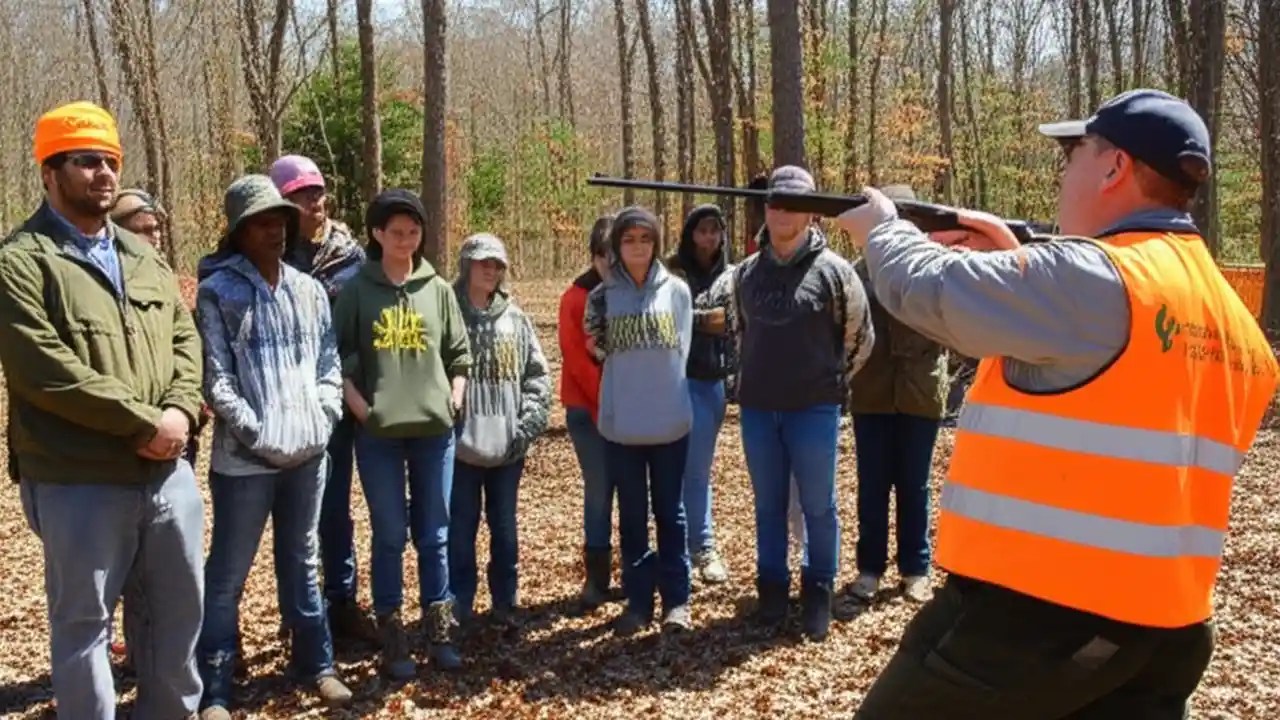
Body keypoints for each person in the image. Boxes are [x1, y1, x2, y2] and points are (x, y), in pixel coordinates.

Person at [838, 89, 1279, 718]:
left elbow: (931, 288)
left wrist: (884, 231)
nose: (1063, 174)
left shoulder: (1100, 276)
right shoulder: (1236, 325)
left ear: (1114, 168)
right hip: (1167, 628)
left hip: (1035, 619)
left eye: (1072, 155)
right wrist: (1017, 267)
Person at [0, 101, 204, 718]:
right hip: (78, 479)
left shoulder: (144, 257)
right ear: (49, 172)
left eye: (110, 161)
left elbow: (183, 340)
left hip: (168, 475)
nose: (104, 174)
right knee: (84, 628)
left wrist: (181, 413)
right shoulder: (21, 261)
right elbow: (44, 371)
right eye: (85, 161)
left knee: (177, 623)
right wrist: (145, 423)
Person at [194, 175, 352, 716]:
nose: (277, 230)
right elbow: (217, 379)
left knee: (303, 560)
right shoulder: (219, 291)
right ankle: (214, 685)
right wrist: (260, 435)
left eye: (281, 220)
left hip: (308, 456)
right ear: (239, 231)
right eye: (263, 222)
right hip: (245, 462)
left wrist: (324, 418)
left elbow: (329, 365)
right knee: (229, 572)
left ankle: (318, 666)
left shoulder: (308, 291)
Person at [724, 165, 874, 642]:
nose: (780, 212)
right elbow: (737, 331)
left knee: (818, 505)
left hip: (814, 409)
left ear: (812, 213)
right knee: (768, 504)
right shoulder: (745, 274)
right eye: (774, 202)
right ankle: (771, 592)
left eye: (792, 203)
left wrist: (829, 382)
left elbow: (859, 337)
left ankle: (818, 592)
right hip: (758, 408)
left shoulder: (835, 273)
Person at [334, 189, 471, 679]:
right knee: (390, 534)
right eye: (395, 232)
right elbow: (339, 357)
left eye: (413, 232)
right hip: (380, 435)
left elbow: (458, 353)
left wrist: (454, 395)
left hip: (435, 432)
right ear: (376, 234)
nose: (405, 240)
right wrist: (361, 408)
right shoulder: (357, 289)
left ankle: (440, 631)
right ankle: (393, 634)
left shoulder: (436, 289)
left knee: (434, 534)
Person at [268, 154, 374, 646]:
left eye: (317, 192)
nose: (313, 201)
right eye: (300, 195)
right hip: (283, 402)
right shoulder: (270, 254)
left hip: (339, 401)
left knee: (335, 509)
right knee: (293, 515)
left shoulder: (351, 255)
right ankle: (299, 614)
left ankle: (342, 604)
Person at [584, 206, 695, 635]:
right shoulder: (602, 296)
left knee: (671, 512)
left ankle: (677, 601)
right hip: (622, 425)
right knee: (632, 515)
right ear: (616, 246)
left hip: (671, 423)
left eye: (645, 240)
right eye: (628, 240)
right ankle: (637, 602)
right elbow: (596, 346)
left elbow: (682, 347)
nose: (637, 248)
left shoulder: (678, 292)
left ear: (656, 244)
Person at [840, 184, 950, 609]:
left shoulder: (932, 264)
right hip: (871, 392)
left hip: (920, 392)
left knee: (914, 484)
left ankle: (915, 569)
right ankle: (869, 569)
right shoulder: (856, 269)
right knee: (872, 485)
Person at [448, 232, 551, 630]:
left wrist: (525, 428)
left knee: (504, 528)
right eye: (482, 263)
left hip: (507, 450)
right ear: (467, 265)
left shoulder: (516, 319)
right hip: (459, 450)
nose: (489, 270)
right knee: (461, 528)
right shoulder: (448, 314)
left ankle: (505, 602)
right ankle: (459, 602)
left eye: (496, 265)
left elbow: (537, 377)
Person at [664, 204, 734, 585]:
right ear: (690, 234)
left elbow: (731, 320)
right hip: (674, 380)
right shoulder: (672, 271)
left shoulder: (732, 275)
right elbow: (668, 320)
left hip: (712, 382)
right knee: (673, 469)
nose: (708, 238)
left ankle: (701, 546)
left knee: (698, 470)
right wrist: (707, 319)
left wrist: (701, 319)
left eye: (715, 231)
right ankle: (689, 546)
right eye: (701, 231)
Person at [558, 215, 621, 611]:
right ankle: (596, 578)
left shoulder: (631, 294)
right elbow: (578, 361)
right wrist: (606, 408)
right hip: (588, 410)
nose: (610, 266)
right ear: (594, 256)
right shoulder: (576, 297)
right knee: (600, 492)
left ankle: (634, 570)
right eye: (604, 257)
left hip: (628, 412)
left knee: (632, 493)